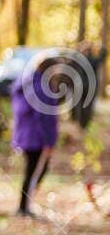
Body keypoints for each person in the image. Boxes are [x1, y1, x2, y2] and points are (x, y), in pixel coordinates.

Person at [12, 50, 68, 218]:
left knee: (33, 170)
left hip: (27, 134)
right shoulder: (41, 87)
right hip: (36, 136)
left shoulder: (28, 82)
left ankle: (25, 205)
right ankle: (24, 207)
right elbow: (43, 116)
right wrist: (49, 140)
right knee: (35, 171)